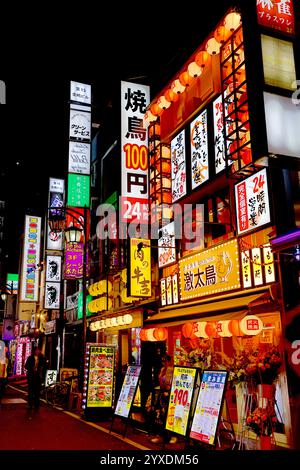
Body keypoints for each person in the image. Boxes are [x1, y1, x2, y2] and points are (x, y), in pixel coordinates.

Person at [149, 355, 177, 444]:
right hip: (162, 393)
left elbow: (169, 385)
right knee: (160, 416)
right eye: (162, 361)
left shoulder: (171, 370)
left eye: (165, 361)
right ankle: (161, 435)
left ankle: (173, 436)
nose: (164, 363)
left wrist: (167, 390)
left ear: (169, 361)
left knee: (170, 415)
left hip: (169, 394)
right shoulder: (162, 370)